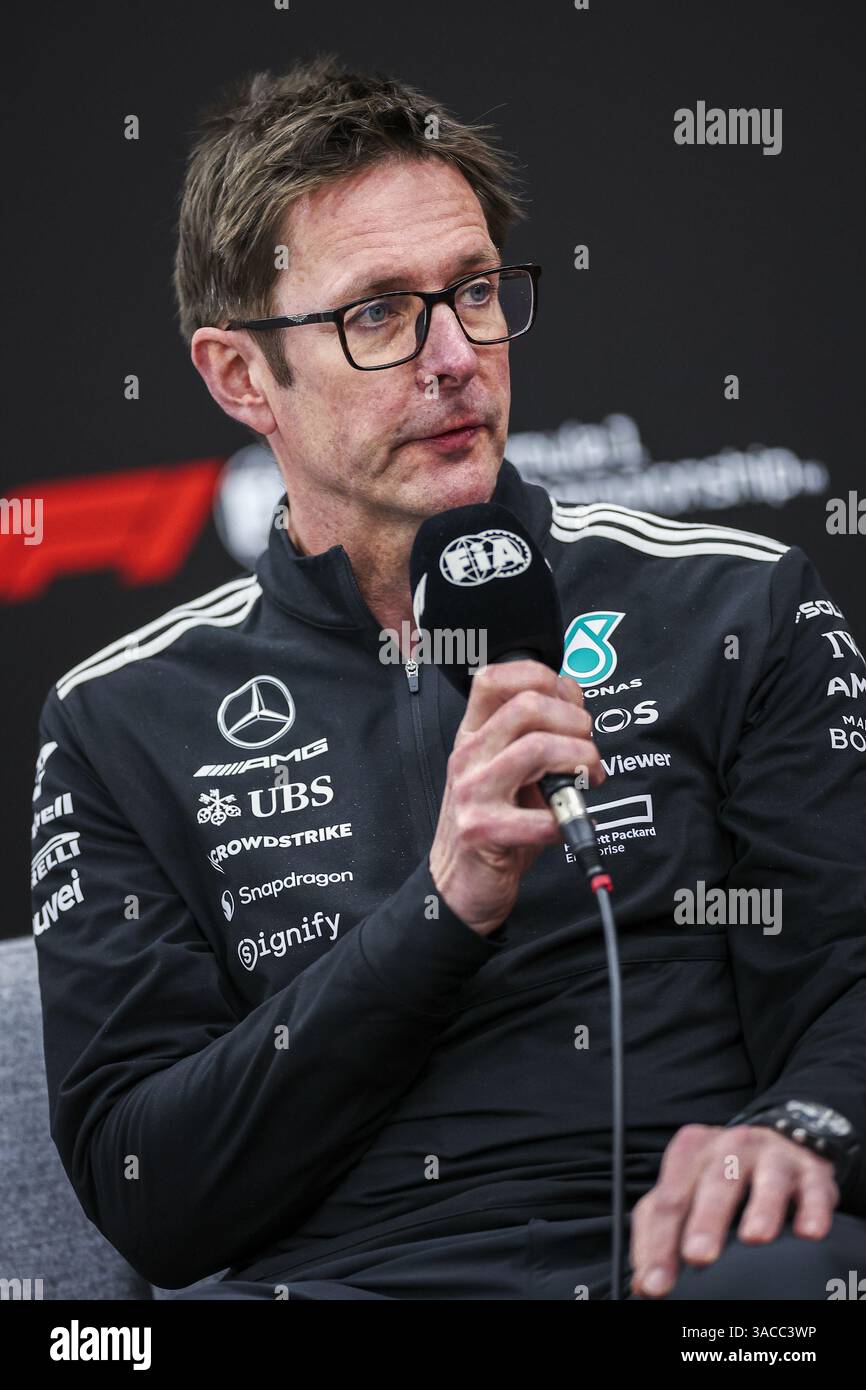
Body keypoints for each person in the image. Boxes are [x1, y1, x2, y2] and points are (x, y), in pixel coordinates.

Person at [31, 54, 866, 1301]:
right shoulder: (118, 718)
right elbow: (149, 1193)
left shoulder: (736, 605)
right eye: (377, 312)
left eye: (473, 292)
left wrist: (793, 1128)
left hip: (694, 1263)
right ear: (239, 375)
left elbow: (849, 976)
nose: (454, 357)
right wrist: (442, 907)